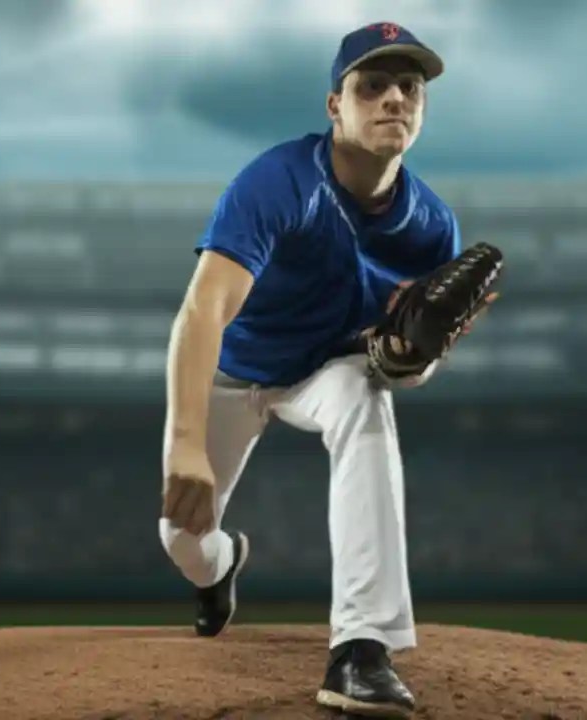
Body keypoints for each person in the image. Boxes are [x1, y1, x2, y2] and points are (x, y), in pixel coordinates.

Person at [158, 22, 496, 718]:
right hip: (235, 367)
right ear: (334, 106)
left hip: (324, 369)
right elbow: (202, 312)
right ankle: (221, 569)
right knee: (181, 539)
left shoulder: (434, 228)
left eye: (410, 86)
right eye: (372, 85)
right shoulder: (277, 182)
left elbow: (406, 366)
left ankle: (362, 648)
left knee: (367, 399)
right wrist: (185, 444)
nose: (394, 99)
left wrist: (408, 363)